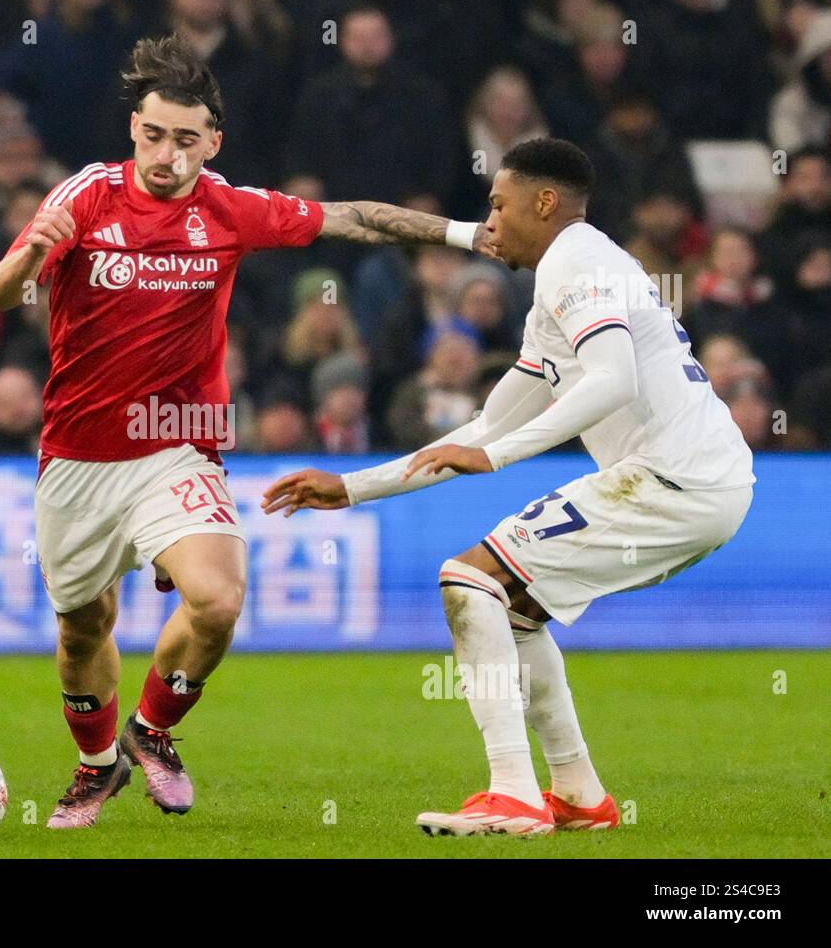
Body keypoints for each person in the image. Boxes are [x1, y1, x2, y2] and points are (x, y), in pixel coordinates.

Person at [0, 33, 492, 830]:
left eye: (186, 140)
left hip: (177, 441)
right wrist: (26, 262)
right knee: (83, 629)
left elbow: (353, 220)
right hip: (79, 455)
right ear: (134, 129)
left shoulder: (228, 208)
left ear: (212, 142)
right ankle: (96, 766)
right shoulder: (85, 197)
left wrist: (464, 235)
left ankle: (153, 730)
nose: (168, 155)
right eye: (155, 135)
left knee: (217, 601)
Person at [262, 139, 754, 836]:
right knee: (512, 611)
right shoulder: (565, 281)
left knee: (468, 580)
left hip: (674, 479)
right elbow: (491, 421)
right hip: (698, 481)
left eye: (499, 204)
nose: (489, 222)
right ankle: (578, 794)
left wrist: (494, 459)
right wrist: (352, 487)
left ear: (543, 203)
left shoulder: (577, 264)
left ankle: (513, 794)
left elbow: (612, 380)